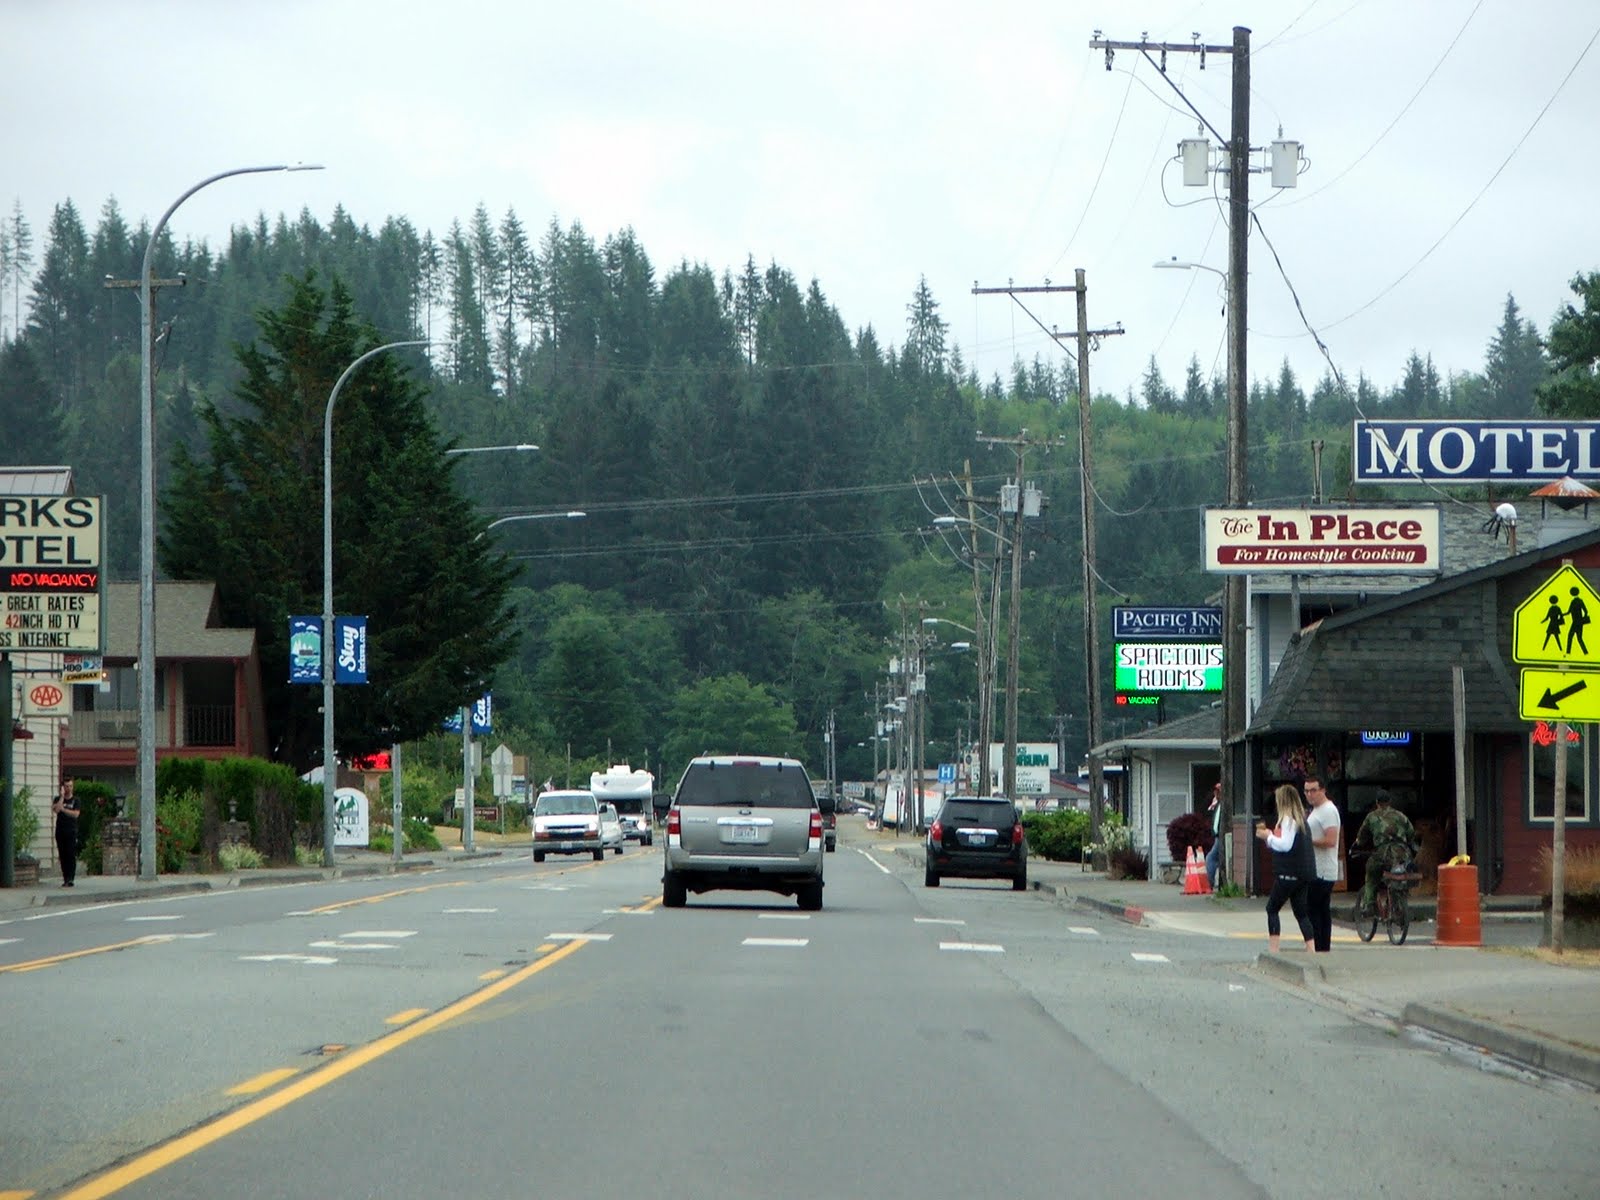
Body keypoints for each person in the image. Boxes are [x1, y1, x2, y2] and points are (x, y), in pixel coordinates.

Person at [1254, 783, 1316, 953]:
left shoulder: (1288, 819)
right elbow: (1286, 844)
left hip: (1287, 875)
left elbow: (1285, 845)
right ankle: (1312, 950)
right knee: (1301, 913)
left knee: (1272, 909)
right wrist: (1271, 838)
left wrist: (1268, 836)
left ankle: (1274, 949)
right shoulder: (1302, 820)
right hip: (1303, 874)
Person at [1354, 788, 1417, 916]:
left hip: (1383, 854)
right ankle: (1397, 902)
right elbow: (1411, 834)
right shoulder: (1401, 816)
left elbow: (1361, 837)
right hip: (1403, 854)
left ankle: (1370, 904)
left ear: (1377, 802)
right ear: (1390, 802)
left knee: (1371, 873)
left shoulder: (1371, 817)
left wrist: (1357, 844)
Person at [1303, 776, 1342, 953]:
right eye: (1306, 791)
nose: (1310, 794)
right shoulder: (1316, 811)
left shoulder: (1327, 811)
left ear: (1323, 790)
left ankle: (1319, 946)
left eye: (1313, 790)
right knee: (1321, 910)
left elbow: (1331, 840)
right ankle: (1322, 947)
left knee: (1314, 910)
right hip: (1316, 868)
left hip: (1323, 870)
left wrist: (1308, 840)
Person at [52, 778, 81, 888]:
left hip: (71, 831)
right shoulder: (57, 799)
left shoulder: (76, 800)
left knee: (70, 854)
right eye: (66, 786)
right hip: (60, 831)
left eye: (70, 786)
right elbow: (56, 809)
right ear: (63, 787)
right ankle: (65, 878)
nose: (69, 788)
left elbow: (76, 814)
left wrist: (64, 810)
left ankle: (71, 878)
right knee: (63, 855)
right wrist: (62, 797)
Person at [1204, 782, 1223, 889]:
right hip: (1217, 836)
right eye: (1215, 791)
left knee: (1210, 858)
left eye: (1218, 791)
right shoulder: (1217, 804)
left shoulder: (1225, 805)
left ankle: (1209, 884)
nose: (1216, 793)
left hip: (1221, 837)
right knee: (1215, 858)